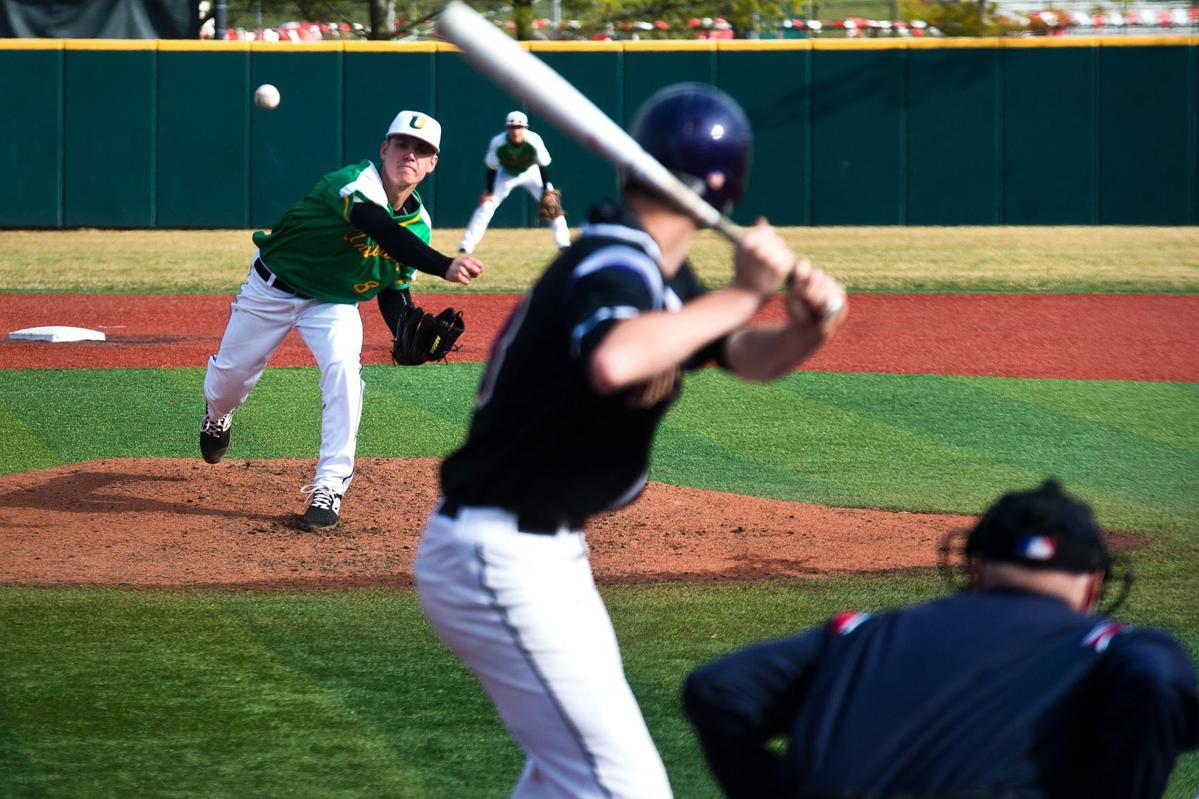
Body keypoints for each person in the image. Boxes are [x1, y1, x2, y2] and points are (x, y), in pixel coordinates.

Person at [414, 83, 848, 799]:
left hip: (540, 553)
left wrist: (806, 330)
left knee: (569, 777)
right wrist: (743, 292)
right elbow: (616, 358)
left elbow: (744, 353)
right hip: (500, 553)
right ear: (726, 188)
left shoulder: (661, 272)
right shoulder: (614, 263)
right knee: (625, 788)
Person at [684, 479, 1199, 799]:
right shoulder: (1109, 645)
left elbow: (717, 689)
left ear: (976, 565)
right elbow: (1155, 684)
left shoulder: (864, 632)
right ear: (1094, 583)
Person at [200, 110, 484, 531]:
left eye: (421, 150)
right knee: (229, 381)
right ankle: (217, 414)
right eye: (402, 144)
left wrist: (404, 324)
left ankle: (329, 486)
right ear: (384, 149)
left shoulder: (417, 224)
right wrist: (444, 266)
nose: (410, 154)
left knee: (344, 374)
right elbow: (379, 228)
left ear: (431, 164)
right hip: (272, 289)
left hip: (332, 304)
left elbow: (392, 285)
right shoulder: (351, 183)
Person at [457, 110, 572, 254]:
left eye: (519, 127)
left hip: (532, 172)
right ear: (507, 128)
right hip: (506, 173)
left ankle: (564, 244)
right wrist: (490, 192)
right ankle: (466, 246)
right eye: (512, 127)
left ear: (525, 128)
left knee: (553, 205)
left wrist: (546, 191)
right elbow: (491, 168)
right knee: (486, 206)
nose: (516, 130)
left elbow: (543, 166)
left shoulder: (534, 140)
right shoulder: (498, 142)